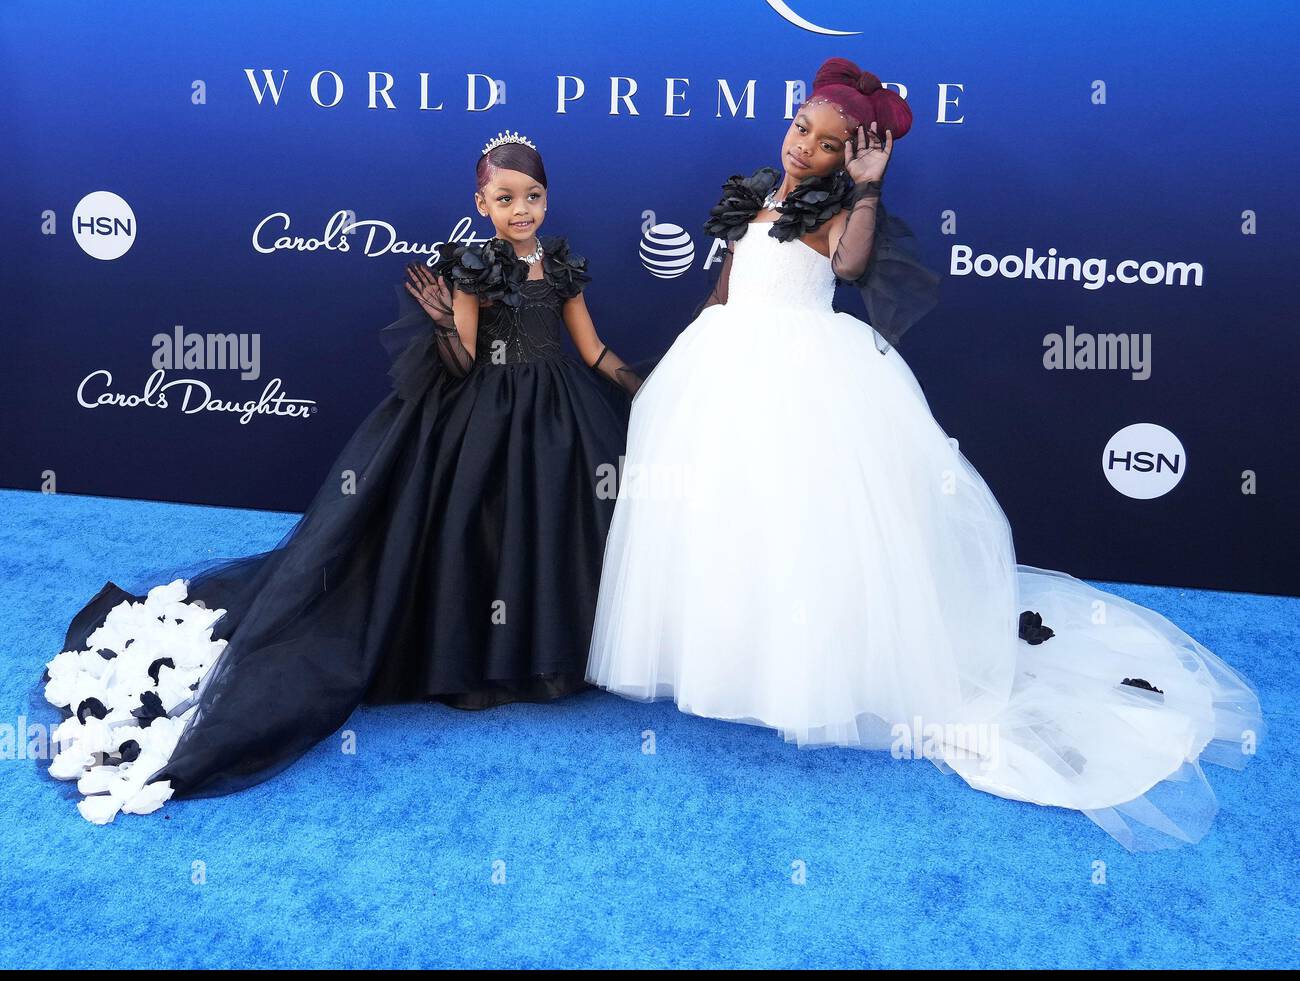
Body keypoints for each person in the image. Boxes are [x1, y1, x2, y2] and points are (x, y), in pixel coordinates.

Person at [585, 59, 1264, 852]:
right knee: (727, 522)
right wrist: (678, 363)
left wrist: (868, 187)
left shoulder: (837, 205)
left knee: (801, 525)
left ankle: (806, 676)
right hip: (721, 363)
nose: (805, 147)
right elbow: (726, 289)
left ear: (851, 156)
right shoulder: (757, 192)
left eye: (829, 143)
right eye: (802, 127)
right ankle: (727, 661)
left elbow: (850, 268)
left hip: (802, 378)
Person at [39, 130, 639, 824]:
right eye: (505, 198)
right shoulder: (471, 267)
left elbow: (591, 349)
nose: (522, 209)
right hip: (487, 414)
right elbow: (465, 362)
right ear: (481, 203)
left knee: (555, 526)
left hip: (559, 416)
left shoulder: (560, 267)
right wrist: (446, 321)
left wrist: (639, 384)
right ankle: (478, 662)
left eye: (533, 196)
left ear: (546, 199)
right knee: (484, 526)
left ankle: (551, 656)